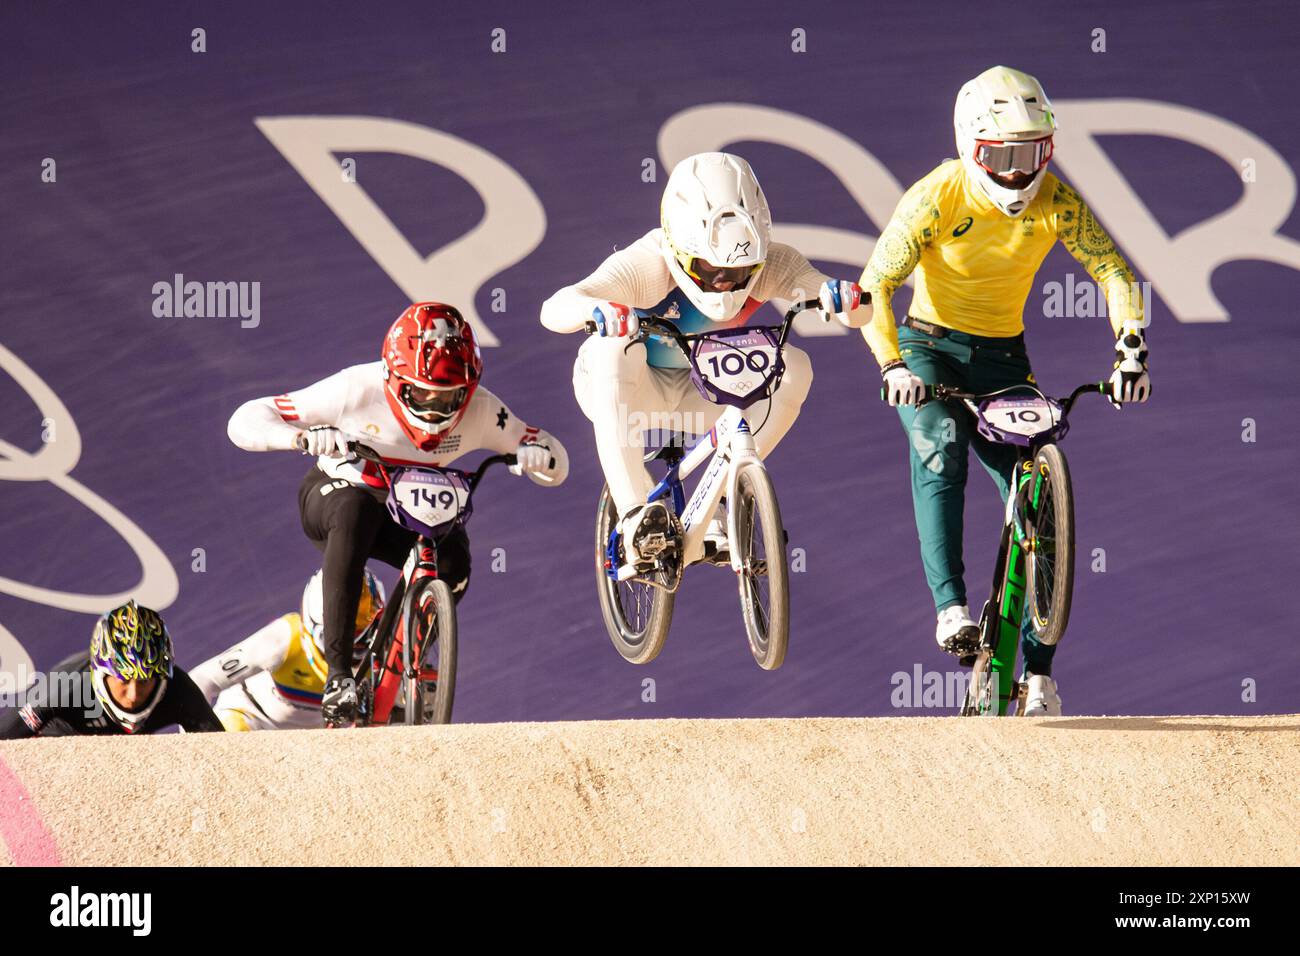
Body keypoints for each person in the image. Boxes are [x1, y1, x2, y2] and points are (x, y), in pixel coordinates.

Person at [855, 66, 1151, 716]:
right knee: (939, 444)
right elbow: (875, 284)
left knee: (1039, 501)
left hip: (1003, 358)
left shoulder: (1057, 202)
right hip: (929, 348)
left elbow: (1113, 271)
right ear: (969, 148)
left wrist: (1130, 347)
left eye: (1032, 156)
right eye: (1002, 157)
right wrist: (891, 365)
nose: (1018, 174)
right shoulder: (937, 195)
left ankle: (1040, 674)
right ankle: (951, 608)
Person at [227, 302, 569, 725]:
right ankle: (338, 677)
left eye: (450, 398)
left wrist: (535, 457)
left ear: (470, 388)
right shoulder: (355, 388)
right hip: (341, 495)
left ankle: (410, 657)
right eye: (422, 393)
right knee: (353, 514)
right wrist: (299, 438)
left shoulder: (482, 408)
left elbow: (554, 456)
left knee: (452, 559)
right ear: (392, 378)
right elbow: (244, 420)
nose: (435, 409)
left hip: (413, 509)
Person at [541, 151, 871, 567]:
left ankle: (724, 491)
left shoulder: (770, 263)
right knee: (611, 350)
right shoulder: (647, 266)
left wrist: (842, 298)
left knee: (795, 366)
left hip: (704, 388)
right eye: (709, 269)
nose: (724, 283)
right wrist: (595, 311)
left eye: (739, 272)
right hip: (631, 389)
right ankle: (633, 516)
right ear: (678, 249)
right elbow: (554, 307)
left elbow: (855, 308)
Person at [189, 569, 383, 731]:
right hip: (250, 719)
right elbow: (202, 679)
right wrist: (198, 744)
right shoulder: (286, 637)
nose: (350, 648)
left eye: (360, 635)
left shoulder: (380, 657)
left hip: (308, 746)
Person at [0, 600, 223, 737]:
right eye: (124, 679)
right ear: (102, 672)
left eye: (145, 680)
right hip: (54, 751)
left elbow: (220, 753)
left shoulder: (179, 690)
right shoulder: (65, 683)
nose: (134, 695)